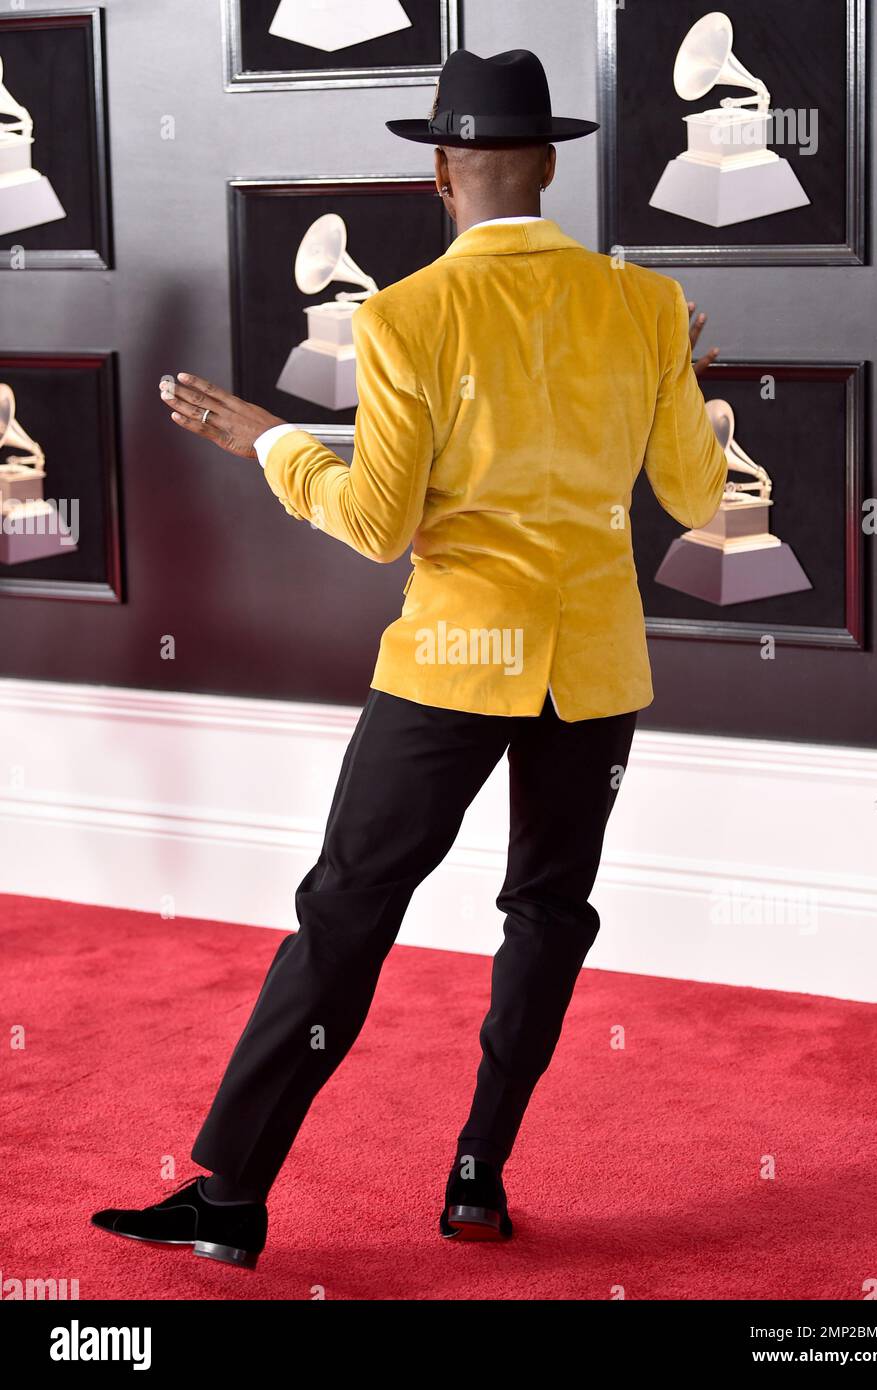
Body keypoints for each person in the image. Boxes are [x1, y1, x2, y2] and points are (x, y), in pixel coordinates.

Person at [91, 48, 726, 1269]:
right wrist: (684, 375)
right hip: (590, 673)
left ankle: (230, 1197)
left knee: (347, 907)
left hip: (448, 662)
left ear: (440, 173)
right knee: (548, 910)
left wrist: (278, 444)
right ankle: (479, 1175)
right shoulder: (646, 306)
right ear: (549, 165)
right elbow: (698, 498)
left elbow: (378, 523)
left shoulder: (401, 314)